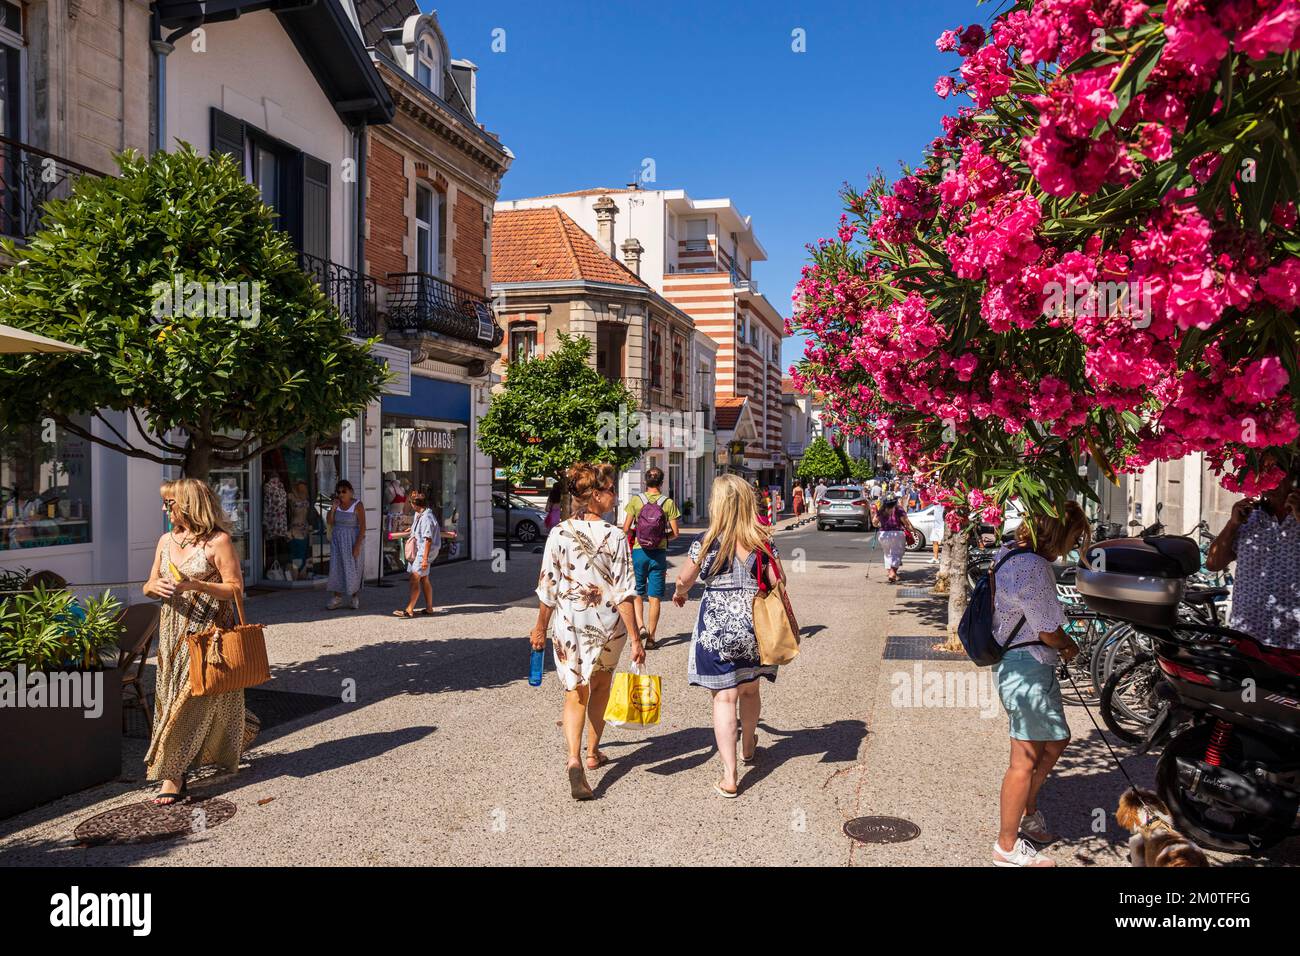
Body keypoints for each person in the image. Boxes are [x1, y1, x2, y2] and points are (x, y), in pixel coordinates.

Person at [532, 462, 644, 800]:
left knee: (574, 691)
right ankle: (593, 753)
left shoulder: (558, 533)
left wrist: (539, 627)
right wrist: (637, 638)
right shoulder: (617, 536)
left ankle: (573, 759)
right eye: (610, 491)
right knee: (601, 685)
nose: (615, 497)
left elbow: (547, 587)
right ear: (595, 496)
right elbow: (624, 592)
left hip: (570, 626)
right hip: (608, 627)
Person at [990, 501, 1089, 867]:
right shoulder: (1033, 566)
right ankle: (1006, 845)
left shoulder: (1010, 553)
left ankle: (1028, 809)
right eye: (1075, 536)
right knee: (1025, 760)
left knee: (1057, 738)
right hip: (1027, 666)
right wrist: (1069, 644)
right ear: (1059, 533)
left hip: (1025, 663)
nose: (1075, 544)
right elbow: (1048, 631)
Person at [672, 474, 783, 798]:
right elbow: (778, 580)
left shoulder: (708, 541)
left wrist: (680, 592)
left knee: (724, 698)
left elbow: (684, 579)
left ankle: (730, 776)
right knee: (750, 689)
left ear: (718, 504)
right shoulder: (762, 538)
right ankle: (748, 746)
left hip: (718, 628)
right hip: (753, 626)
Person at [142, 478, 249, 805]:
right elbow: (148, 584)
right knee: (172, 695)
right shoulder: (165, 540)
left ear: (187, 505)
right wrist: (153, 588)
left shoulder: (218, 541)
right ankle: (238, 732)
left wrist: (195, 585)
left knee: (189, 698)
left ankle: (172, 776)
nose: (164, 509)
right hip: (172, 631)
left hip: (207, 631)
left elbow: (236, 589)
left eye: (169, 503)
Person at [1206, 468, 1300, 649]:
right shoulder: (1249, 518)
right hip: (1249, 635)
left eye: (1276, 477)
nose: (1268, 483)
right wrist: (1232, 524)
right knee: (1247, 679)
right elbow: (1213, 564)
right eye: (1263, 477)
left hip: (1294, 641)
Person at [621, 466, 680, 650]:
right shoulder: (667, 502)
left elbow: (625, 529)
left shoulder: (636, 501)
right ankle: (652, 638)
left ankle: (640, 626)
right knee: (654, 597)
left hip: (639, 552)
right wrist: (661, 538)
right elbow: (676, 533)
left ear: (645, 482)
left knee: (637, 592)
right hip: (658, 554)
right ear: (661, 483)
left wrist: (639, 534)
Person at [393, 491, 439, 618]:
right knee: (424, 579)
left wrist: (424, 559)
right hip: (421, 551)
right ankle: (429, 608)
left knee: (414, 579)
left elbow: (428, 539)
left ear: (415, 504)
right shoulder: (419, 514)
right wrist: (411, 529)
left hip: (423, 552)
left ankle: (409, 610)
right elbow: (419, 529)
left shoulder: (426, 518)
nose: (410, 505)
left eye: (410, 502)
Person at [326, 480, 365, 610]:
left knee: (352, 569)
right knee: (336, 568)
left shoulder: (357, 505)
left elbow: (363, 527)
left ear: (350, 491)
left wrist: (357, 545)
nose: (341, 494)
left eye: (344, 491)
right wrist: (333, 509)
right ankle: (337, 597)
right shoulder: (336, 505)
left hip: (351, 540)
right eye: (338, 492)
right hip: (337, 540)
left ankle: (354, 597)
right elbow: (330, 522)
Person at [875, 494, 915, 584]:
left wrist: (877, 525)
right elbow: (906, 522)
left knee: (887, 553)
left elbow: (874, 522)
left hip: (883, 534)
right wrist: (912, 530)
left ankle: (891, 573)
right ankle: (892, 572)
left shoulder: (881, 509)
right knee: (897, 553)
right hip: (897, 533)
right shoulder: (899, 509)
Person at [931, 501, 946, 566]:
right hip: (936, 525)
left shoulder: (944, 503)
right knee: (934, 541)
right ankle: (935, 558)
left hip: (943, 525)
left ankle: (944, 559)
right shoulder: (935, 503)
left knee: (944, 543)